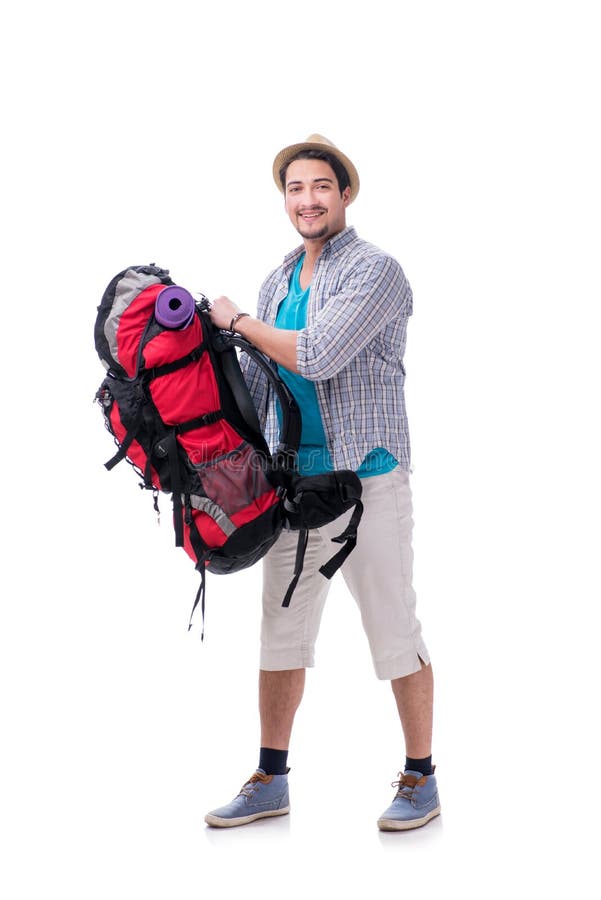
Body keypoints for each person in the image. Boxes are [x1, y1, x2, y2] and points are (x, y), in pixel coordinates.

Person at [204, 134, 440, 831]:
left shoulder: (376, 271)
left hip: (366, 479)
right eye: (294, 189)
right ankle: (270, 778)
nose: (306, 200)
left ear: (344, 194)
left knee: (394, 631)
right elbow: (255, 382)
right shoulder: (279, 281)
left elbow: (319, 354)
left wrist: (237, 321)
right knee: (279, 635)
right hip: (297, 486)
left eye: (319, 187)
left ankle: (420, 778)